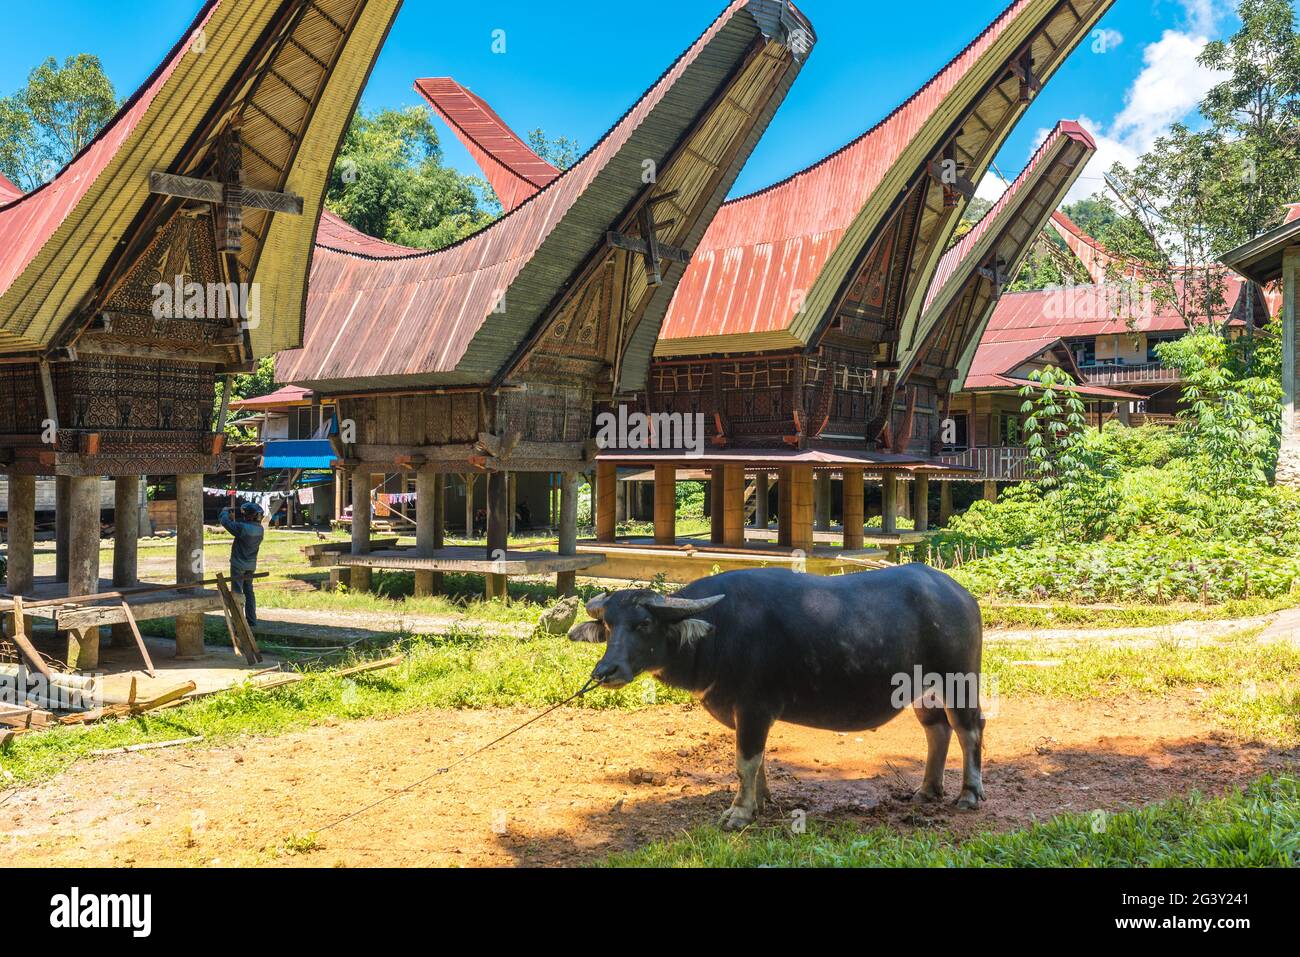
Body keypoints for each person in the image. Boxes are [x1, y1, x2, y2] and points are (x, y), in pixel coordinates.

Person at [218, 500, 265, 629]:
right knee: (249, 592)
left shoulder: (242, 528)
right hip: (251, 565)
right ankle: (251, 620)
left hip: (238, 565)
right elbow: (240, 525)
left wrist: (224, 512)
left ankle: (238, 621)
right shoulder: (260, 529)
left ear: (249, 515)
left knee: (237, 593)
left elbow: (225, 523)